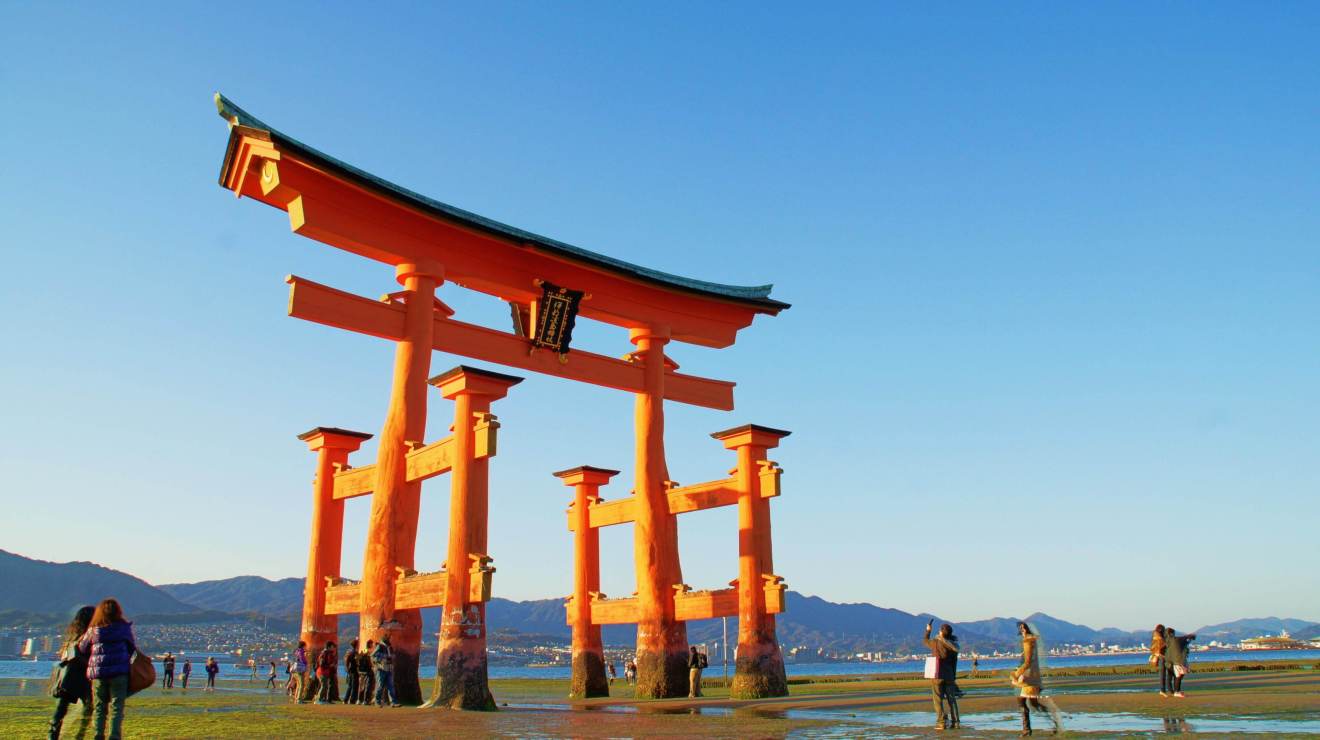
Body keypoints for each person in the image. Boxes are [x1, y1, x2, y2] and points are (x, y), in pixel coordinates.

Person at [79, 598, 136, 740]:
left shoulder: (94, 630)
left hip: (98, 673)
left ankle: (98, 735)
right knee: (117, 707)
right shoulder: (124, 628)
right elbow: (131, 647)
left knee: (99, 706)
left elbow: (82, 647)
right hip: (119, 672)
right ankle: (114, 736)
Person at [48, 604, 95, 740]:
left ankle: (52, 735)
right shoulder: (92, 636)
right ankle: (80, 735)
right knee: (89, 709)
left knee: (60, 709)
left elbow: (67, 656)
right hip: (85, 678)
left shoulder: (73, 637)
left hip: (69, 678)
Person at [1011, 621, 1060, 736]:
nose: (1022, 630)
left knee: (1022, 702)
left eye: (1024, 628)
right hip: (1032, 676)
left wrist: (1016, 674)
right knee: (1033, 704)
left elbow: (1027, 662)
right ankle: (1054, 723)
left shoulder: (1028, 641)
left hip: (1028, 677)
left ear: (1027, 629)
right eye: (1021, 628)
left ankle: (1027, 730)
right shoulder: (1030, 641)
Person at [923, 619, 961, 730]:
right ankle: (956, 722)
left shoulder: (935, 642)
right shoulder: (954, 646)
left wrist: (928, 630)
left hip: (937, 674)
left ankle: (941, 723)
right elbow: (954, 663)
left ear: (941, 632)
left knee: (938, 699)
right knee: (952, 700)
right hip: (949, 675)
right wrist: (953, 677)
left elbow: (925, 641)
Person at [1163, 627, 1197, 698]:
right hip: (1177, 661)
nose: (1174, 634)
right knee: (1178, 676)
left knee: (1178, 676)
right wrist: (1189, 636)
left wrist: (1188, 638)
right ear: (1171, 633)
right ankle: (1176, 691)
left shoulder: (1167, 641)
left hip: (1172, 661)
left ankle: (1176, 691)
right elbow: (1183, 639)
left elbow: (1183, 641)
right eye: (1173, 633)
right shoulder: (1173, 640)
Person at [371, 636, 398, 707]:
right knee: (380, 686)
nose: (390, 640)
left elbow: (393, 655)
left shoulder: (390, 647)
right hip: (381, 669)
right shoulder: (380, 646)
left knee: (391, 686)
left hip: (389, 669)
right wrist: (384, 657)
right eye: (389, 639)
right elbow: (372, 655)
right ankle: (377, 702)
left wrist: (391, 657)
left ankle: (393, 702)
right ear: (385, 640)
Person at [1149, 623, 1168, 696]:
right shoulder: (1157, 636)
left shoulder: (1156, 635)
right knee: (1163, 673)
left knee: (1163, 673)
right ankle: (1163, 690)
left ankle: (1164, 690)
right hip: (1161, 655)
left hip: (1160, 655)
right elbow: (1162, 644)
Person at [357, 640, 375, 705]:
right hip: (368, 671)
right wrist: (373, 666)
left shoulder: (363, 650)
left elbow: (358, 659)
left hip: (362, 671)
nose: (373, 645)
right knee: (368, 686)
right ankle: (366, 700)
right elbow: (371, 662)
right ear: (370, 644)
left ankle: (359, 700)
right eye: (372, 644)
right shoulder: (369, 651)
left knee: (361, 686)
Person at [342, 640, 360, 704]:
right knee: (354, 686)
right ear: (356, 645)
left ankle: (345, 700)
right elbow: (357, 662)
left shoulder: (348, 652)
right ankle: (352, 700)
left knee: (350, 686)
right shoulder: (354, 653)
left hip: (349, 670)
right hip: (354, 670)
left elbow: (347, 661)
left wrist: (347, 668)